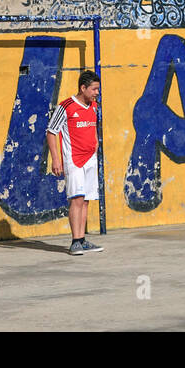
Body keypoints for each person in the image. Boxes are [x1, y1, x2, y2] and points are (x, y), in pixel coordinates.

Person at [47, 71, 104, 256]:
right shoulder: (66, 106)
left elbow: (93, 128)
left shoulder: (94, 107)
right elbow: (51, 132)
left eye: (98, 89)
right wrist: (56, 159)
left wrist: (95, 144)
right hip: (73, 159)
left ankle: (82, 240)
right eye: (94, 89)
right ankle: (75, 241)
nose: (97, 92)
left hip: (90, 159)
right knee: (77, 199)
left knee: (86, 200)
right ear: (83, 88)